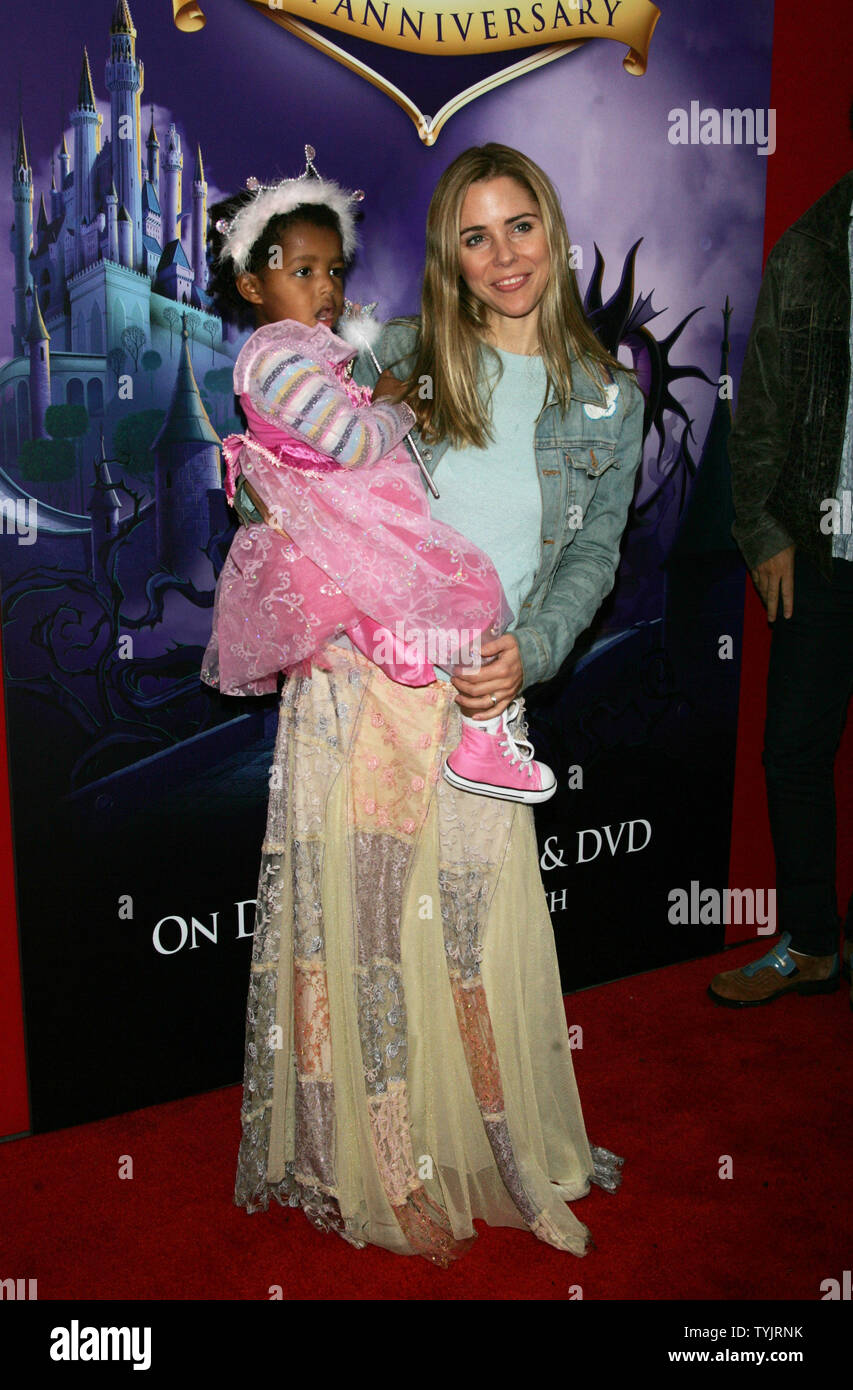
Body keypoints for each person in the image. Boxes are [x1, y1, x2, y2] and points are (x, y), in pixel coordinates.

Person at [227, 143, 644, 1263]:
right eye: (474, 235)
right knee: (363, 924)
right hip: (360, 685)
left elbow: (589, 560)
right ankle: (368, 1158)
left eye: (519, 227)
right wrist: (276, 523)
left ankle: (483, 1138)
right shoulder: (401, 360)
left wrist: (533, 651)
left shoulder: (610, 400)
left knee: (466, 928)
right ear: (448, 261)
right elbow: (286, 442)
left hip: (477, 688)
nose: (502, 255)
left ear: (551, 232)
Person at [202, 156, 554, 804]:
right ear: (252, 286)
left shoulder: (302, 356)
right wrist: (395, 406)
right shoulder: (279, 359)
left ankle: (468, 741)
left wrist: (376, 400)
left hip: (347, 533)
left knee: (435, 615)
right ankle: (470, 747)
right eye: (302, 271)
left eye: (334, 270)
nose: (326, 287)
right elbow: (353, 443)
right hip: (340, 543)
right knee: (461, 590)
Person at [709, 154, 853, 1009]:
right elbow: (759, 401)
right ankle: (808, 943)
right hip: (822, 547)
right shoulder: (809, 247)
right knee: (794, 752)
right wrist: (760, 526)